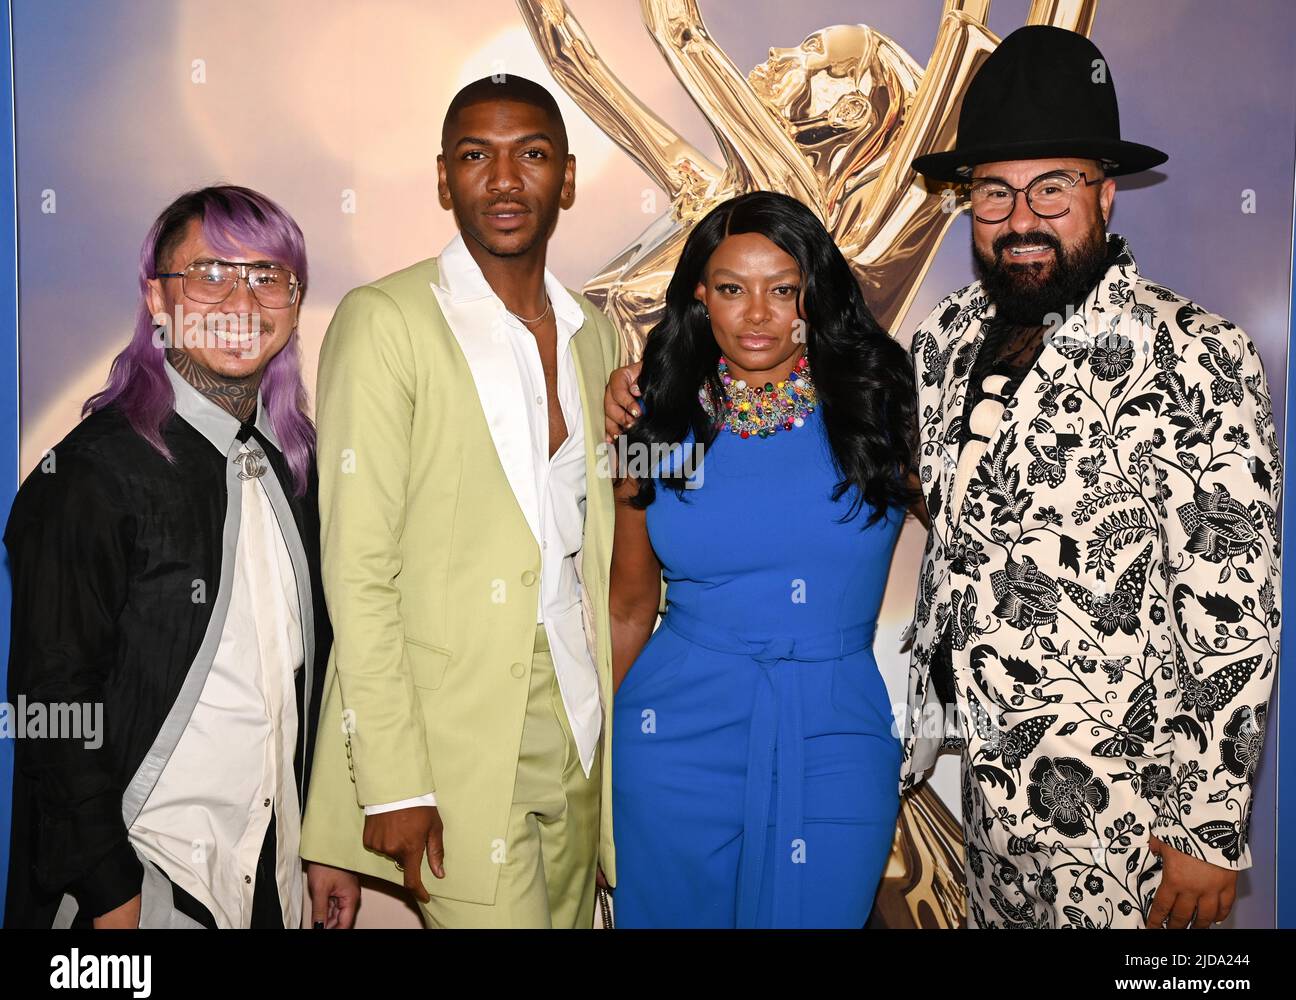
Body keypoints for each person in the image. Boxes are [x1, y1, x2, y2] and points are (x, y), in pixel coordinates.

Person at [902, 26, 1279, 929]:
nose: (1021, 219)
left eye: (1052, 187)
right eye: (994, 192)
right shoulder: (942, 340)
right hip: (988, 802)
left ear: (1106, 193)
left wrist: (1209, 827)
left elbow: (1232, 606)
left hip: (1135, 825)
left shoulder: (1198, 355)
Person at [299, 75, 620, 928]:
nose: (505, 180)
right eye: (477, 156)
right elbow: (357, 573)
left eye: (533, 155)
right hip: (451, 739)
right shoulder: (386, 320)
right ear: (445, 180)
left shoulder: (599, 331)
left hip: (582, 725)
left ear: (569, 178)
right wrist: (394, 778)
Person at [4, 184, 352, 929]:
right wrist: (110, 891)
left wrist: (324, 838)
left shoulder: (296, 469)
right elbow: (50, 703)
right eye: (210, 273)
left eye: (268, 277)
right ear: (157, 301)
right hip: (146, 887)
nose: (241, 300)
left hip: (271, 873)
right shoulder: (91, 478)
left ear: (293, 309)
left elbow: (307, 683)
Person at [607, 190, 916, 927]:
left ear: (814, 297)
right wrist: (604, 749)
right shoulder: (654, 418)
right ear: (698, 299)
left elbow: (983, 535)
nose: (757, 315)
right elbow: (627, 603)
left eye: (783, 290)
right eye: (731, 289)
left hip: (837, 730)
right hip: (673, 738)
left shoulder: (881, 407)